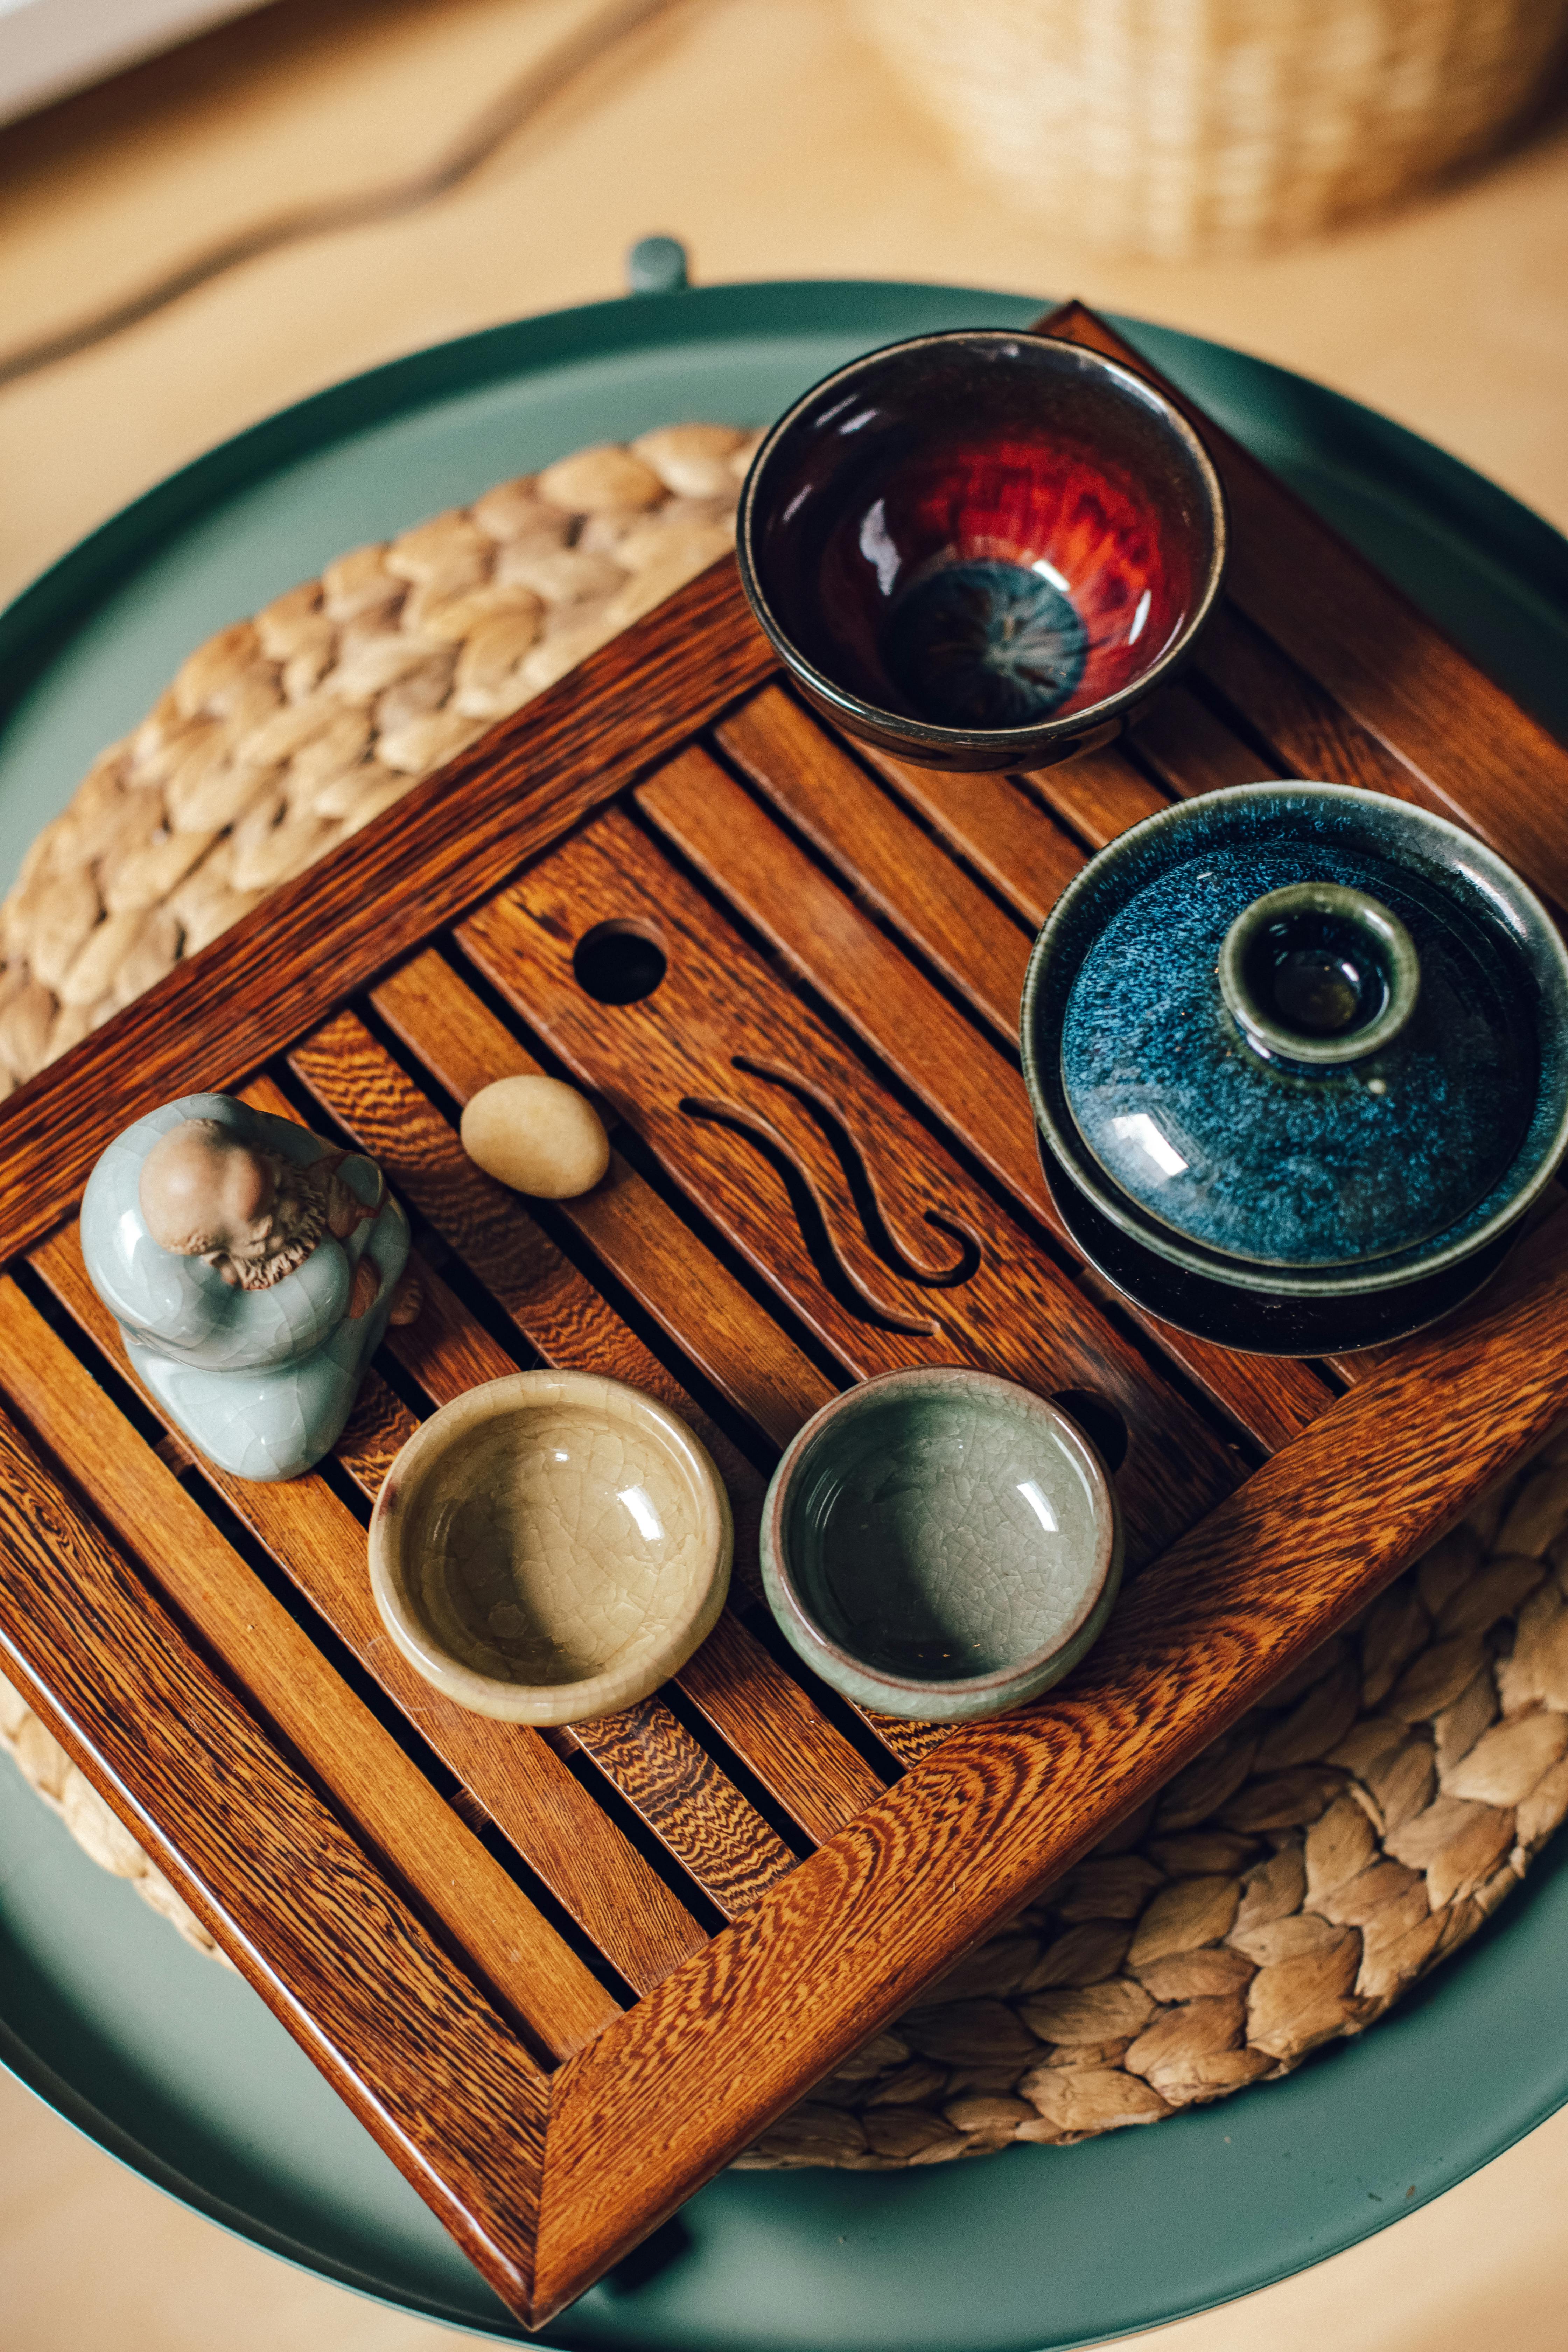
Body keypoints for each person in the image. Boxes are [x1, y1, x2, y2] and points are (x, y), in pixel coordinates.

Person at [81, 1093, 415, 1481]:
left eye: (279, 1182)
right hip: (255, 1370)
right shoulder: (181, 1309)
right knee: (275, 1450)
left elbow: (330, 1160)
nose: (289, 1202)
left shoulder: (231, 1119)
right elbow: (288, 1335)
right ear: (221, 1257)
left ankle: (371, 1307)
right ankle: (367, 1317)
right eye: (268, 1219)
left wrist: (332, 1200)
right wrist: (344, 1248)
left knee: (385, 1220)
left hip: (335, 1286)